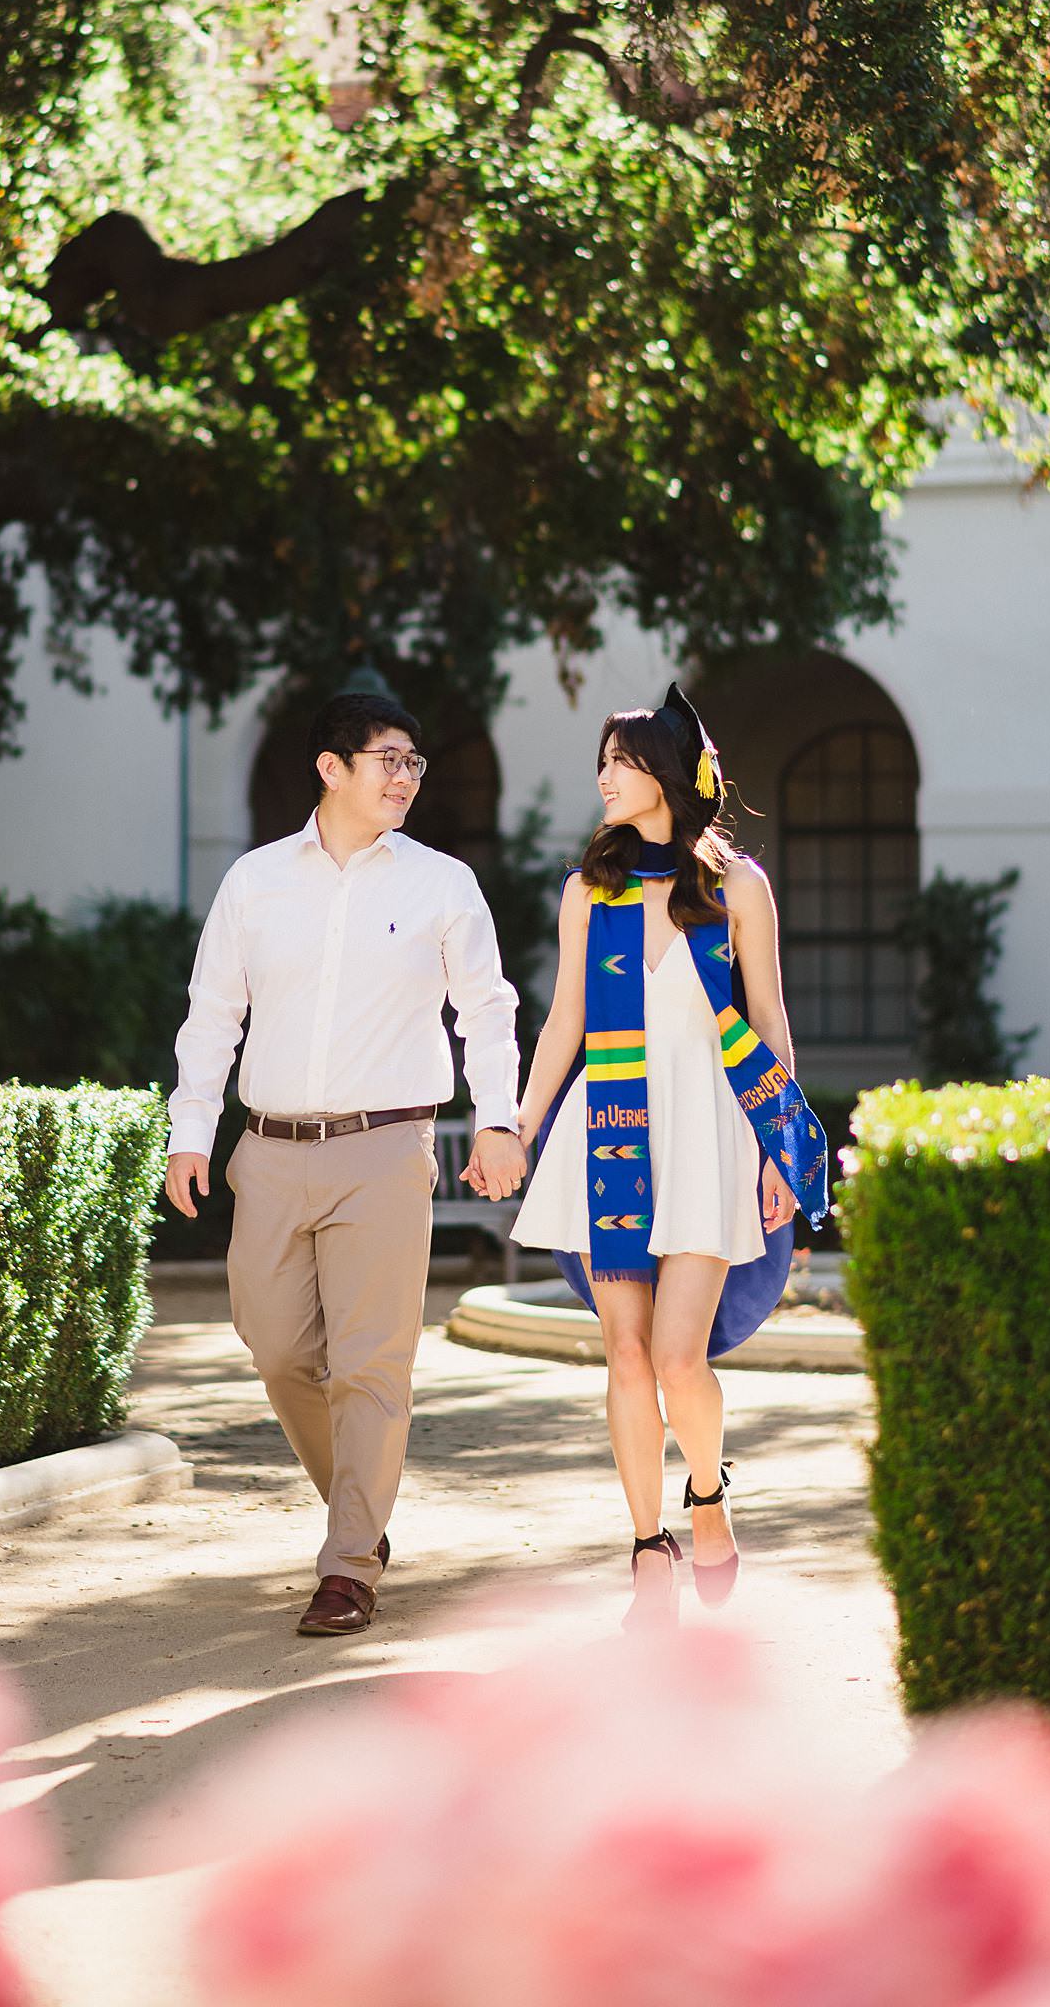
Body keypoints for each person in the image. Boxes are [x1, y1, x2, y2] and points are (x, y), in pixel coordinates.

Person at [165, 689, 525, 1637]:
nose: (406, 777)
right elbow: (213, 1016)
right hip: (270, 1151)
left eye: (415, 763)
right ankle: (357, 1509)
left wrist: (498, 1120)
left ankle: (351, 1561)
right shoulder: (253, 881)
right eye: (388, 760)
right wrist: (190, 1132)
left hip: (385, 1148)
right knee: (277, 1347)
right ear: (331, 768)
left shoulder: (441, 883)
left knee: (372, 1367)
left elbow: (486, 1009)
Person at [510, 684, 828, 1618]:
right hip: (609, 1129)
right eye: (601, 764)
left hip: (708, 1133)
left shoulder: (736, 889)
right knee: (625, 1355)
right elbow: (563, 1019)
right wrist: (518, 1127)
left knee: (678, 1359)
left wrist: (779, 1149)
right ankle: (648, 1547)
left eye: (619, 762)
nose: (603, 778)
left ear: (664, 776)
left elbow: (769, 1022)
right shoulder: (588, 889)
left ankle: (706, 1496)